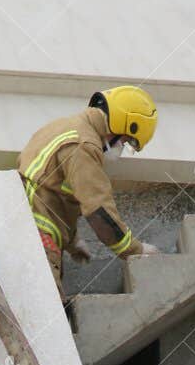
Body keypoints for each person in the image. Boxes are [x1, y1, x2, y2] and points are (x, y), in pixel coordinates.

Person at [18, 86, 159, 289]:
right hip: (38, 237)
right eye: (127, 140)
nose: (123, 148)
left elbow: (51, 189)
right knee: (48, 312)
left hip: (29, 229)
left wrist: (71, 241)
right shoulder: (84, 145)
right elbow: (99, 210)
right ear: (120, 125)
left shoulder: (65, 127)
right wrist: (135, 250)